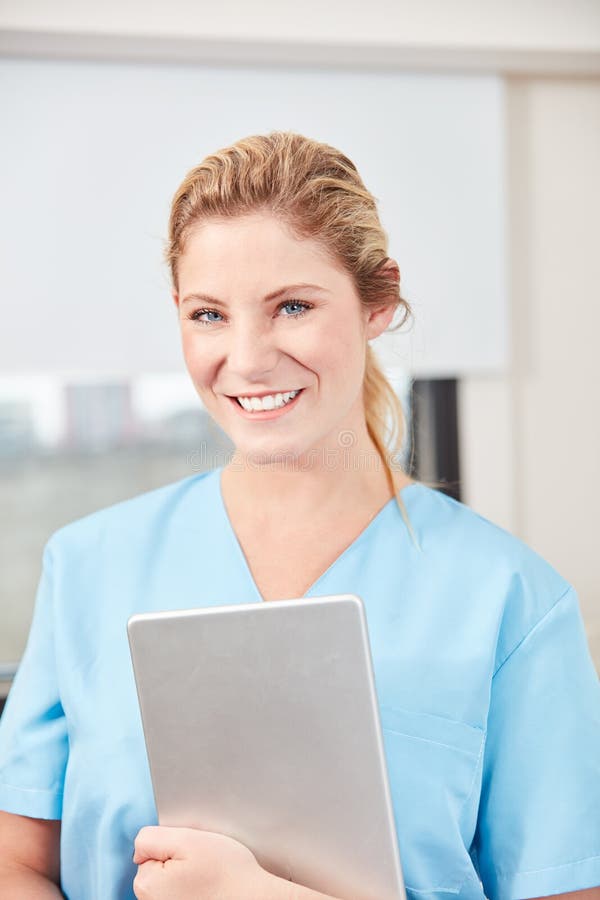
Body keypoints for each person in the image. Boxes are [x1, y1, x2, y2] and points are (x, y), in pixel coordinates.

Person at [0, 131, 598, 900]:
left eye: (292, 306)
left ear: (378, 300)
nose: (246, 359)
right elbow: (17, 862)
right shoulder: (87, 566)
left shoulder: (510, 602)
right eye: (208, 315)